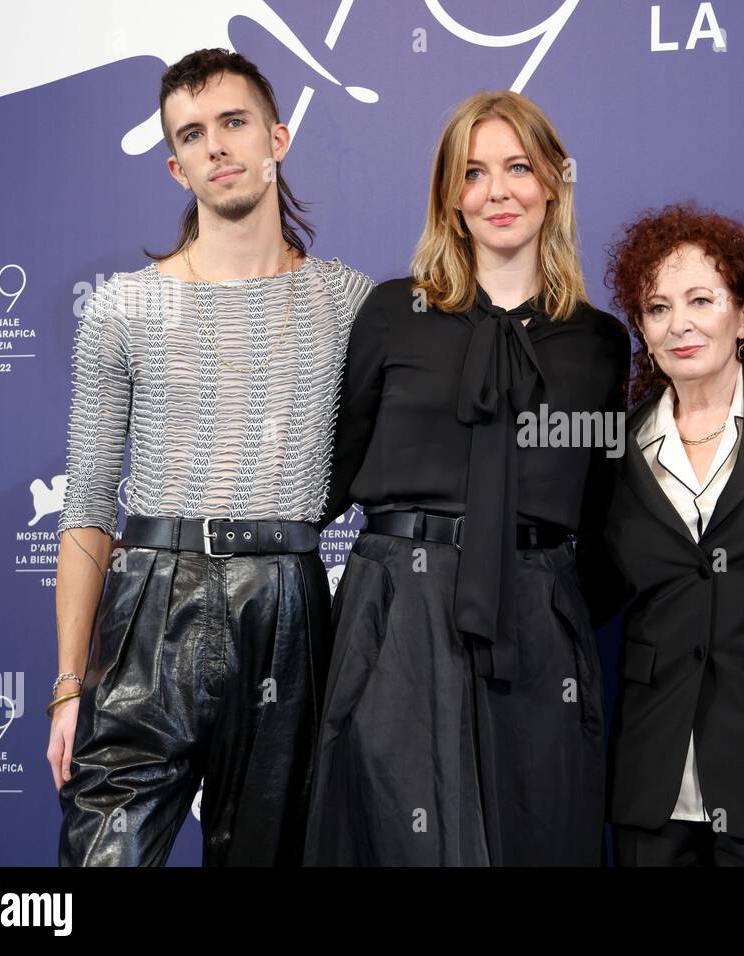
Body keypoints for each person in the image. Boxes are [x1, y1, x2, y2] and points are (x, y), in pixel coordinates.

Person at [48, 48, 374, 866]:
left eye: (234, 122)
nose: (217, 146)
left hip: (289, 606)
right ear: (176, 165)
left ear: (277, 138)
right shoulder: (123, 307)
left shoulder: (350, 303)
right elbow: (88, 507)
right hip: (151, 604)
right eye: (193, 134)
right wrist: (68, 685)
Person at [304, 91, 630, 866]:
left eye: (518, 168)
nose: (497, 192)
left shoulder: (599, 341)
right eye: (474, 173)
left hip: (535, 620)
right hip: (398, 611)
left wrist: (550, 604)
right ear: (451, 196)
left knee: (538, 835)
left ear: (553, 181)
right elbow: (331, 473)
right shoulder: (393, 312)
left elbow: (606, 513)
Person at [599, 204, 744, 866]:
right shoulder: (616, 444)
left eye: (701, 300)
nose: (680, 324)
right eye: (657, 308)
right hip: (652, 775)